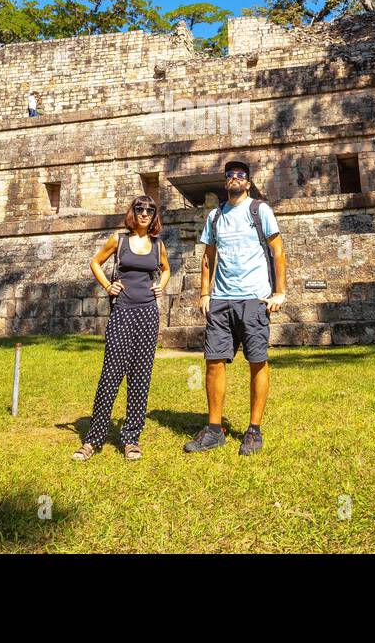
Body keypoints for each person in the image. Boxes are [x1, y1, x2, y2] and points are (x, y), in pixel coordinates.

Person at [185, 160, 287, 456]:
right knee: (214, 361)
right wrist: (205, 294)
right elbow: (207, 258)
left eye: (241, 175)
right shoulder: (215, 216)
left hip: (254, 299)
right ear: (225, 181)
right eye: (230, 175)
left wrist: (279, 292)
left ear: (248, 181)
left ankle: (253, 431)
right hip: (221, 300)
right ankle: (214, 430)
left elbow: (278, 251)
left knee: (257, 361)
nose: (235, 179)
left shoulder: (260, 210)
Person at [74, 195, 170, 461]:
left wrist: (160, 285)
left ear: (154, 216)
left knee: (140, 376)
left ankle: (131, 439)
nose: (144, 213)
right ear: (133, 212)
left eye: (150, 210)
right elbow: (95, 263)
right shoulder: (119, 240)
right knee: (111, 374)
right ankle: (93, 439)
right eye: (140, 209)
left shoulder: (157, 244)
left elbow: (166, 269)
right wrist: (108, 286)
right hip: (122, 312)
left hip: (148, 314)